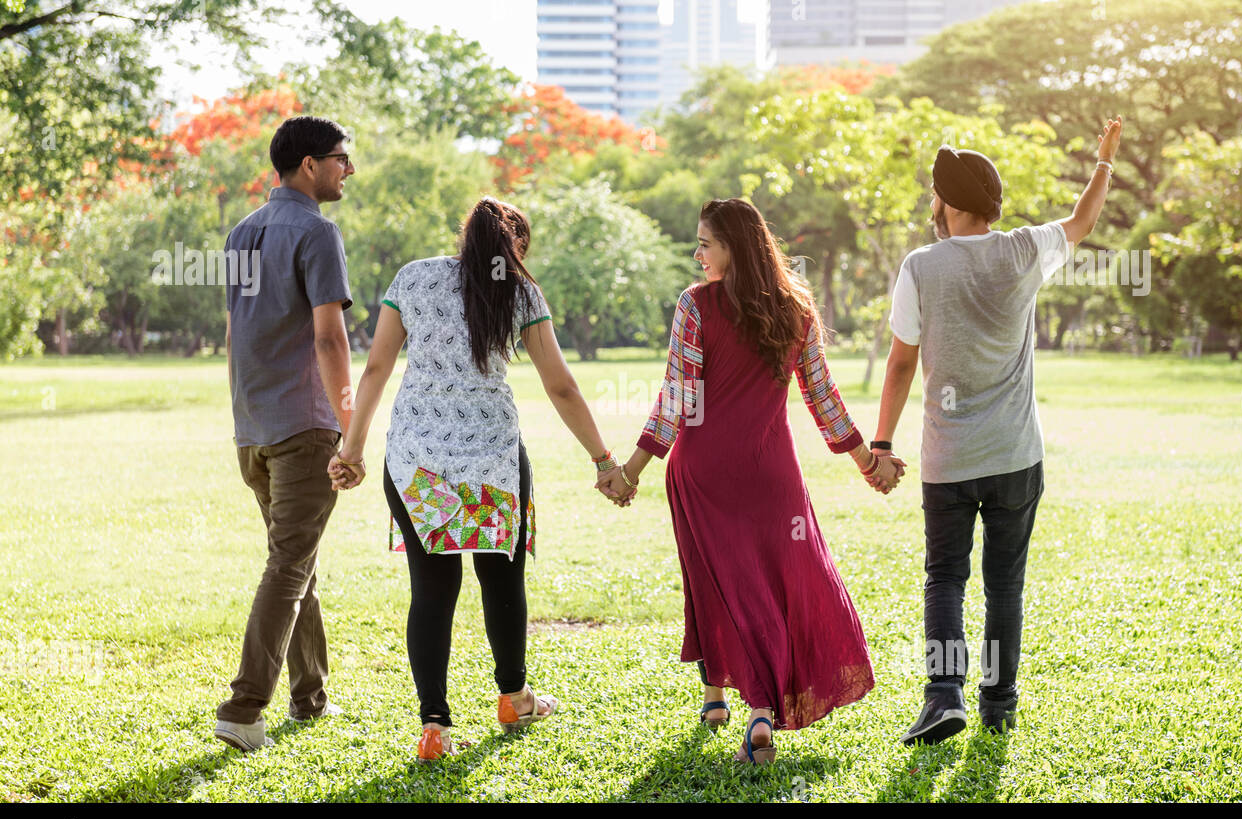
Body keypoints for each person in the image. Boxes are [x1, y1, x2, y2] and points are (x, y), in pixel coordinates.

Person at [602, 198, 902, 764]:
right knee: (763, 584)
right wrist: (869, 462)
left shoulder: (696, 306)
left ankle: (756, 708)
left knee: (713, 577)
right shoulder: (797, 308)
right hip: (772, 476)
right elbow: (823, 399)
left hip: (703, 472)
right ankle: (718, 697)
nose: (697, 256)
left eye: (705, 244)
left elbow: (679, 399)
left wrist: (631, 472)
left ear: (734, 247)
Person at [328, 197, 626, 762]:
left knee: (432, 591)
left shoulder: (413, 279)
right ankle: (513, 697)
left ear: (466, 237)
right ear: (515, 247)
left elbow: (376, 367)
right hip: (492, 461)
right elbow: (561, 385)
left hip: (418, 462)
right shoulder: (519, 291)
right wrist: (603, 462)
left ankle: (434, 728)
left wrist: (353, 450)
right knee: (501, 579)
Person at [872, 117, 1124, 746]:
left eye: (935, 194)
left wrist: (881, 445)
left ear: (948, 203)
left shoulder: (920, 267)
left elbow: (901, 362)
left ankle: (942, 698)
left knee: (945, 577)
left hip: (948, 456)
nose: (932, 204)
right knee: (1003, 582)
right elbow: (1082, 222)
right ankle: (998, 703)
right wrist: (1104, 163)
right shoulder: (1023, 250)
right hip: (1015, 455)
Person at [215, 116, 357, 752]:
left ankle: (310, 695)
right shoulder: (318, 234)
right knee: (290, 563)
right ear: (308, 165)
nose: (347, 169)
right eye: (340, 159)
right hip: (304, 428)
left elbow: (234, 335)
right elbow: (330, 336)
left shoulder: (242, 232)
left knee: (298, 561)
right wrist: (349, 426)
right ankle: (245, 707)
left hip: (255, 429)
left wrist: (245, 416)